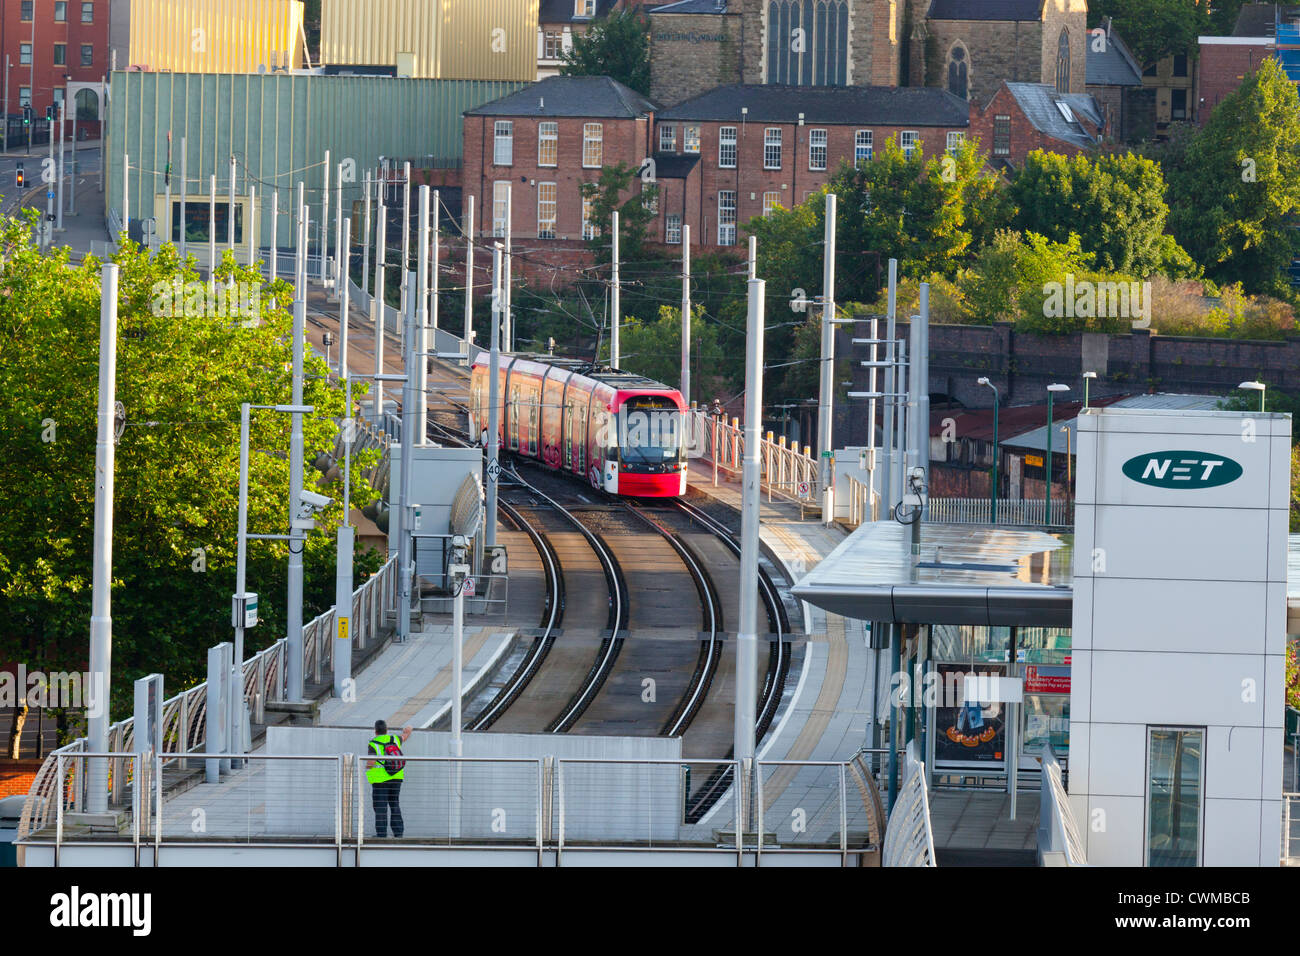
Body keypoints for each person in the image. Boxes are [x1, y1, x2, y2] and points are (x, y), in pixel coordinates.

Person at [365, 720, 413, 838]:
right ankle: (398, 833)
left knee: (381, 807)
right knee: (394, 804)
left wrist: (366, 767)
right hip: (396, 777)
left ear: (375, 731)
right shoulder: (394, 739)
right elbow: (405, 736)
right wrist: (408, 729)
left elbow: (371, 762)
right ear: (386, 730)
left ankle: (381, 835)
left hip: (380, 780)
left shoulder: (374, 743)